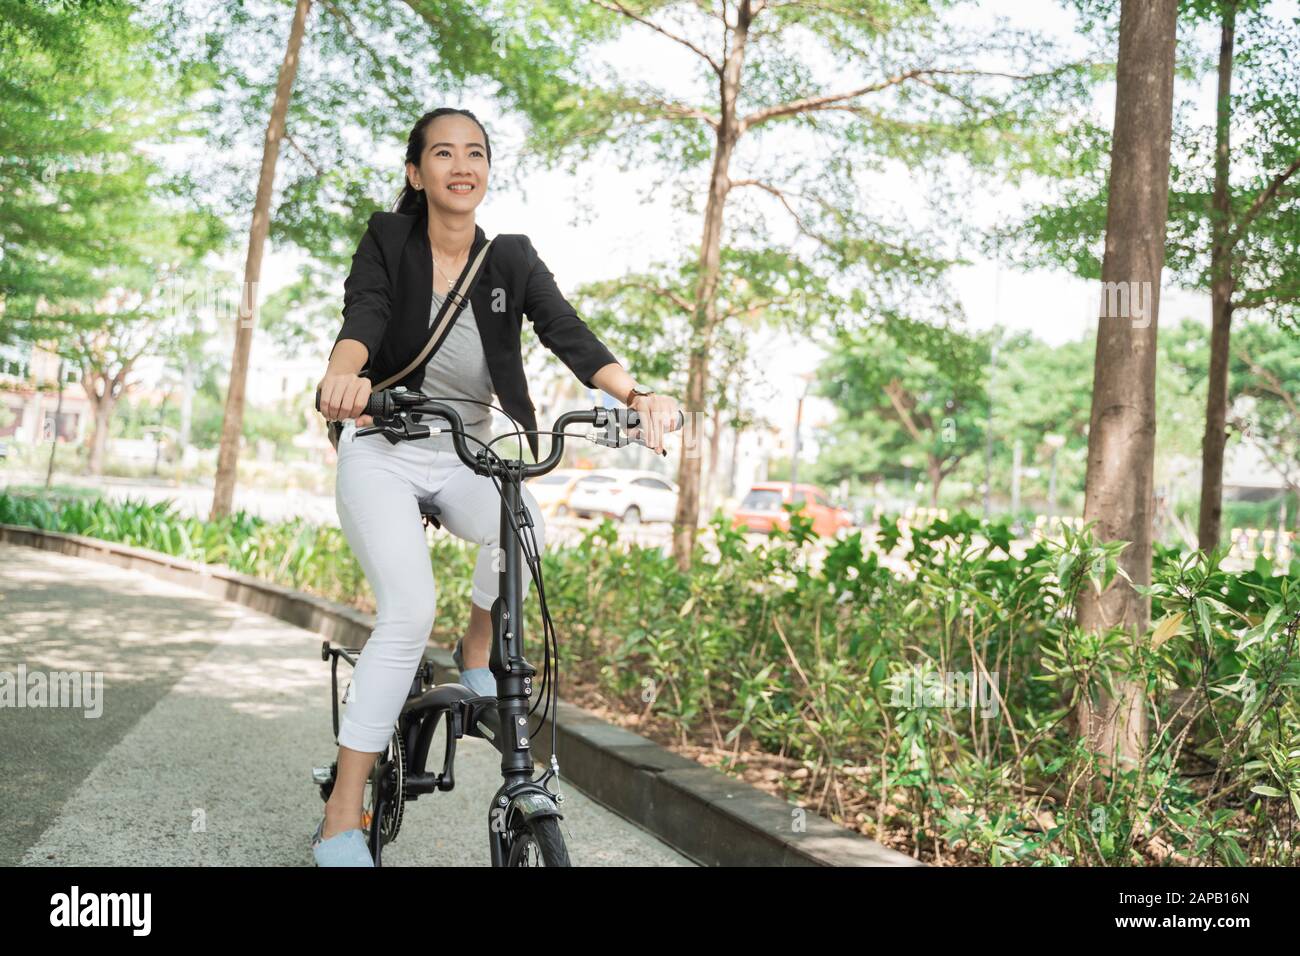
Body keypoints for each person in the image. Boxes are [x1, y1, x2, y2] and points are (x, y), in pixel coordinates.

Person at [312, 107, 682, 865]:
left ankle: (476, 654)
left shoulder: (510, 258)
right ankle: (340, 818)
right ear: (416, 172)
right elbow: (366, 312)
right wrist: (344, 375)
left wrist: (637, 395)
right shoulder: (389, 238)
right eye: (442, 153)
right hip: (382, 442)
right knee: (408, 607)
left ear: (487, 169)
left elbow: (568, 332)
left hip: (468, 450)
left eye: (474, 152)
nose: (460, 165)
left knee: (525, 533)